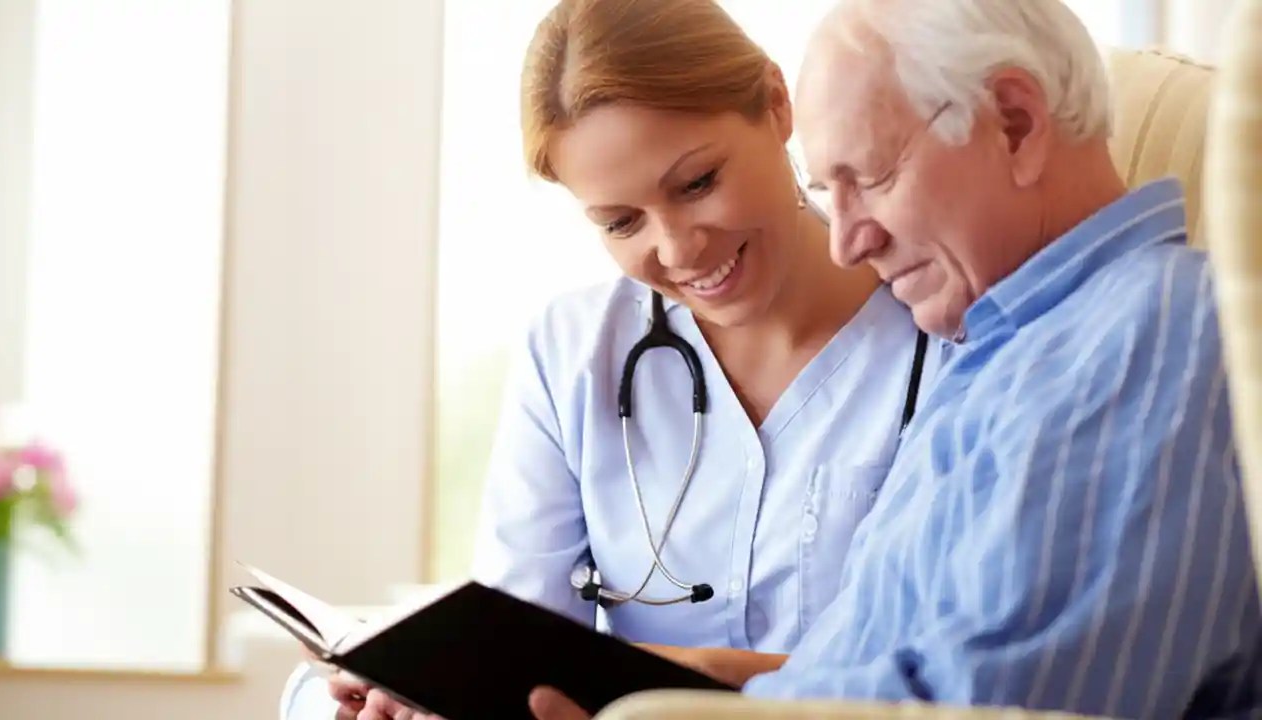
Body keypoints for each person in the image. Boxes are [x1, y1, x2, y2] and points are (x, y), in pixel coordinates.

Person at [526, 0, 1262, 718]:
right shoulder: (1001, 355)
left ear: (1015, 124)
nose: (848, 244)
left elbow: (995, 702)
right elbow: (880, 676)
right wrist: (697, 684)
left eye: (871, 178)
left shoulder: (1148, 337)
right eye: (828, 191)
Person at [280, 1, 948, 718]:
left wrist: (683, 674)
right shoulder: (572, 352)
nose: (678, 248)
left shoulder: (949, 333)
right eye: (621, 222)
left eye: (697, 183)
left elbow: (970, 667)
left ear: (778, 105)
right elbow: (518, 645)